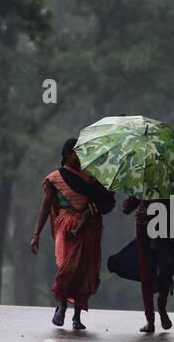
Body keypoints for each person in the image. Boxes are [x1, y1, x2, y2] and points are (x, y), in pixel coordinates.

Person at [30, 138, 114, 330]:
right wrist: (36, 234)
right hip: (66, 228)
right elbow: (45, 208)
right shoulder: (55, 179)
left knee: (84, 270)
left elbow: (101, 204)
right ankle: (61, 306)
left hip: (89, 227)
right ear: (67, 155)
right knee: (68, 266)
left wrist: (107, 192)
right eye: (77, 152)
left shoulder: (92, 178)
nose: (80, 156)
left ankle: (77, 316)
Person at [117, 196, 174, 333]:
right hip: (145, 230)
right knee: (146, 275)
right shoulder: (144, 177)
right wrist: (129, 204)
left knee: (165, 272)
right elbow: (135, 198)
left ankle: (161, 306)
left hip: (166, 229)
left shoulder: (172, 180)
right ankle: (150, 320)